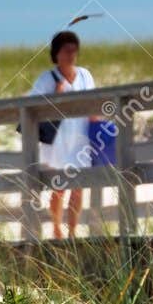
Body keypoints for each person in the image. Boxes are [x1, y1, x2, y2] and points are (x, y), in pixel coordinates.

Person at [29, 30, 95, 239]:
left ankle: (73, 232)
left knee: (79, 187)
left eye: (73, 50)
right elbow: (31, 108)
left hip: (81, 136)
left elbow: (94, 100)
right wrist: (54, 98)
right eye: (66, 50)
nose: (70, 55)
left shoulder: (84, 74)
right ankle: (57, 230)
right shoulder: (47, 79)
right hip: (58, 140)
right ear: (56, 53)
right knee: (59, 187)